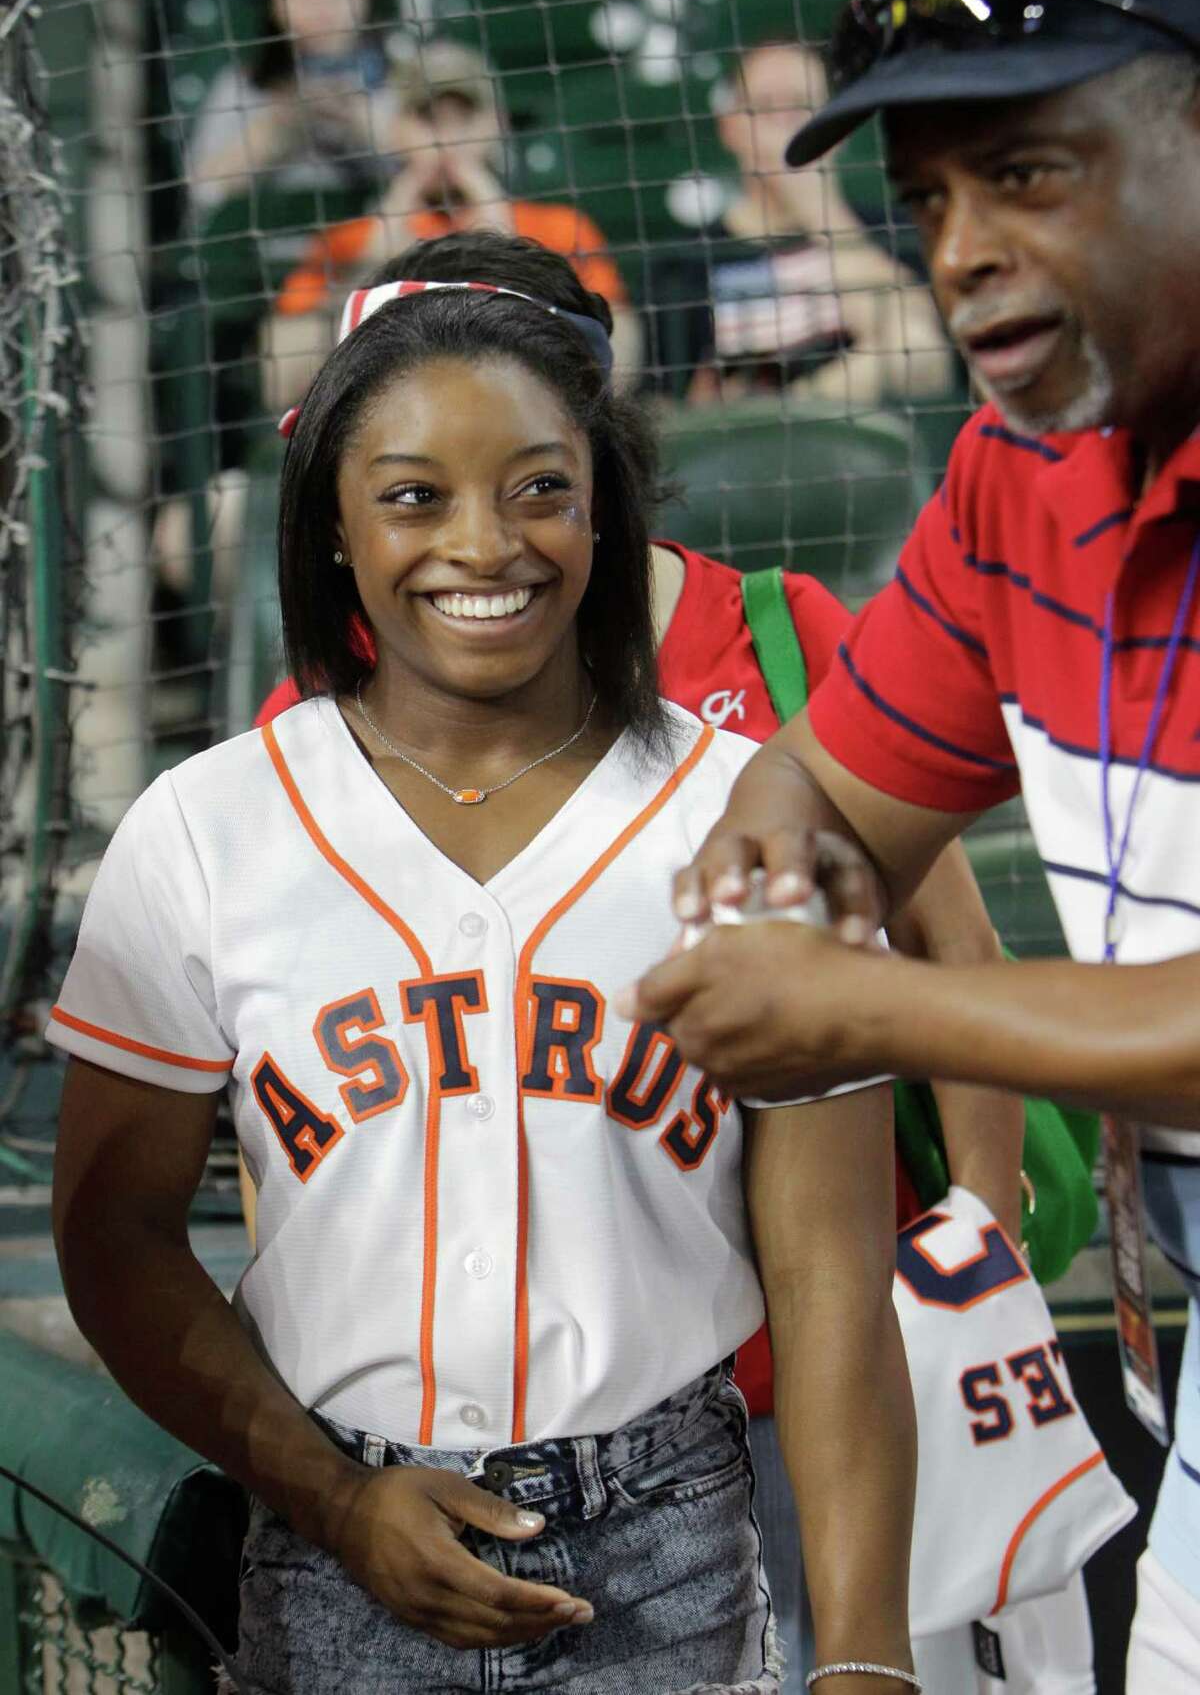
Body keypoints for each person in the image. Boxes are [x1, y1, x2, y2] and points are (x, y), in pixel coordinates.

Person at [49, 232, 917, 1695]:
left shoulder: (743, 815)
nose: (484, 543)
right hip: (336, 1534)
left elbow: (833, 1271)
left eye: (540, 490)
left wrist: (871, 1663)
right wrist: (331, 1495)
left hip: (670, 1538)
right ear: (333, 523)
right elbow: (113, 1232)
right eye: (412, 497)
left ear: (601, 507)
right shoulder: (205, 830)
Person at [617, 0, 1200, 1689]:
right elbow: (824, 780)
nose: (958, 251)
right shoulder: (1025, 471)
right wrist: (764, 859)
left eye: (1028, 174)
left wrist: (856, 1008)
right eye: (930, 197)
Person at [263, 40, 640, 415]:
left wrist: (510, 254)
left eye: (464, 118)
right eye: (429, 119)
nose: (447, 138)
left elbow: (621, 366)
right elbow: (279, 382)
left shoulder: (558, 227)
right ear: (398, 130)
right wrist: (369, 271)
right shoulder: (348, 241)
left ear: (496, 124)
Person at [642, 40, 953, 406]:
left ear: (838, 128)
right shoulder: (683, 264)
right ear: (729, 127)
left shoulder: (894, 230)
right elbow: (663, 407)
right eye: (766, 107)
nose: (785, 126)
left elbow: (924, 365)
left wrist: (817, 207)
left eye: (801, 107)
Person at [185, 0, 390, 214]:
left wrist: (363, 125)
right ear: (277, 1)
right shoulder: (242, 85)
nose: (321, 8)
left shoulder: (401, 76)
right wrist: (280, 124)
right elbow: (202, 191)